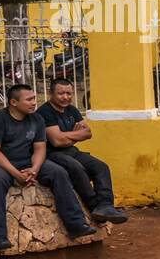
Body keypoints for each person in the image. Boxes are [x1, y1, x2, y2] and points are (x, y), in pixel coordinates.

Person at [0, 84, 97, 253]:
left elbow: (40, 148)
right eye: (29, 99)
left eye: (34, 98)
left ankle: (76, 224)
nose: (34, 102)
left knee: (58, 172)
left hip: (27, 162)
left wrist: (34, 169)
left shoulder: (37, 119)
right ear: (13, 102)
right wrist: (15, 174)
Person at [39, 78, 126, 224]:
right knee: (76, 168)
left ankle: (106, 205)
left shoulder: (71, 110)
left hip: (71, 151)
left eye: (69, 93)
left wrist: (67, 137)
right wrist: (75, 136)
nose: (66, 97)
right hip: (52, 155)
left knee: (101, 167)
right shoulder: (44, 112)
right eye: (61, 93)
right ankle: (94, 205)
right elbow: (57, 141)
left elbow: (88, 133)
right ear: (51, 94)